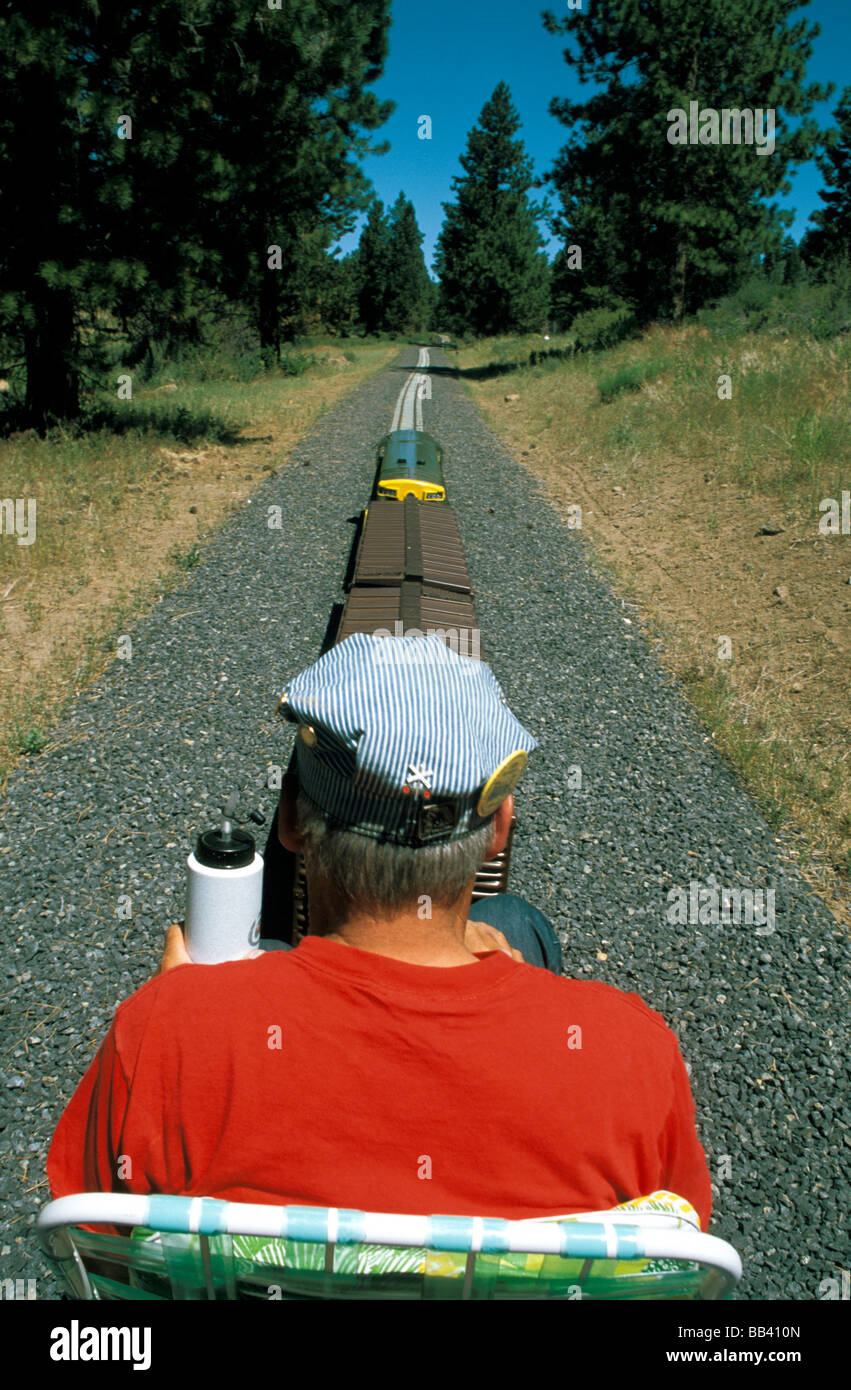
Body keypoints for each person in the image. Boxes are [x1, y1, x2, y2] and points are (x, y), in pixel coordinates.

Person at [48, 633, 711, 1230]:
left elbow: (95, 1250)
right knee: (517, 922)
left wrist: (182, 1019)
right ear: (499, 831)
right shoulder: (635, 1055)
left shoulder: (162, 1031)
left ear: (289, 819)